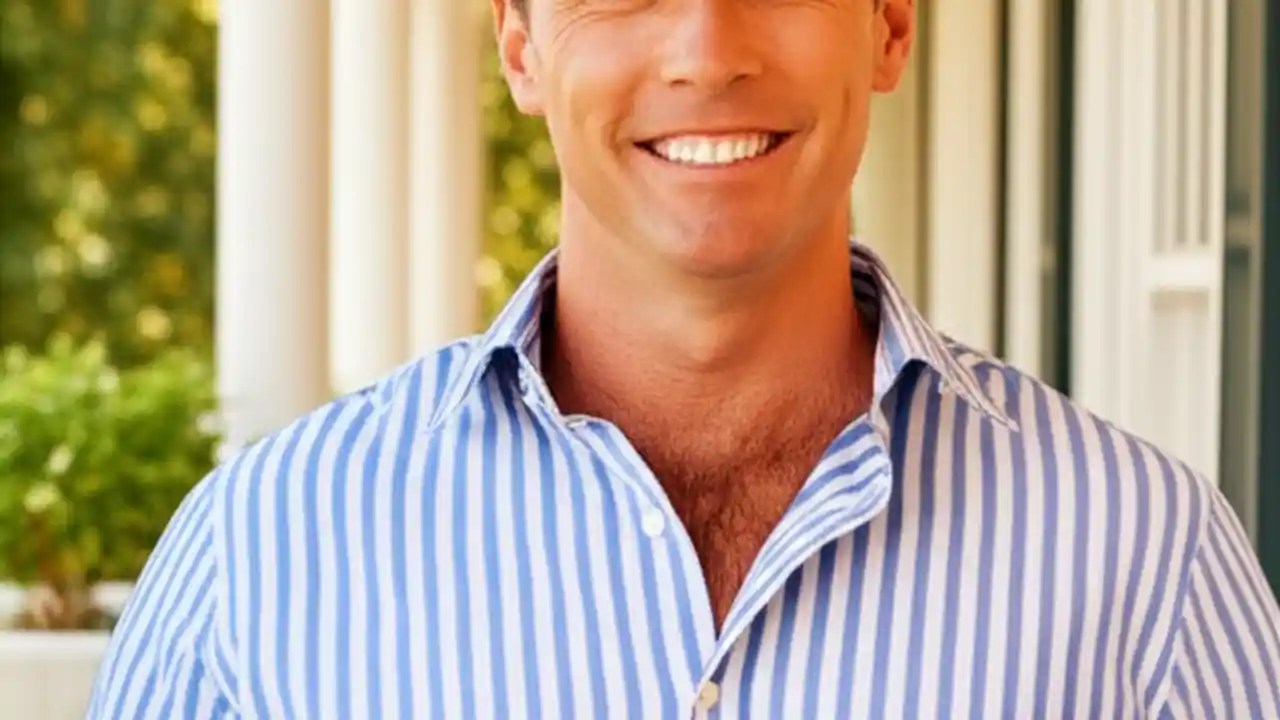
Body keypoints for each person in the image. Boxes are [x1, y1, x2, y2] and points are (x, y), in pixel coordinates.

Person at [88, 0, 1280, 717]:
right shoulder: (260, 557)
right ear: (519, 44)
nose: (706, 53)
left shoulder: (1143, 560)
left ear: (887, 24)